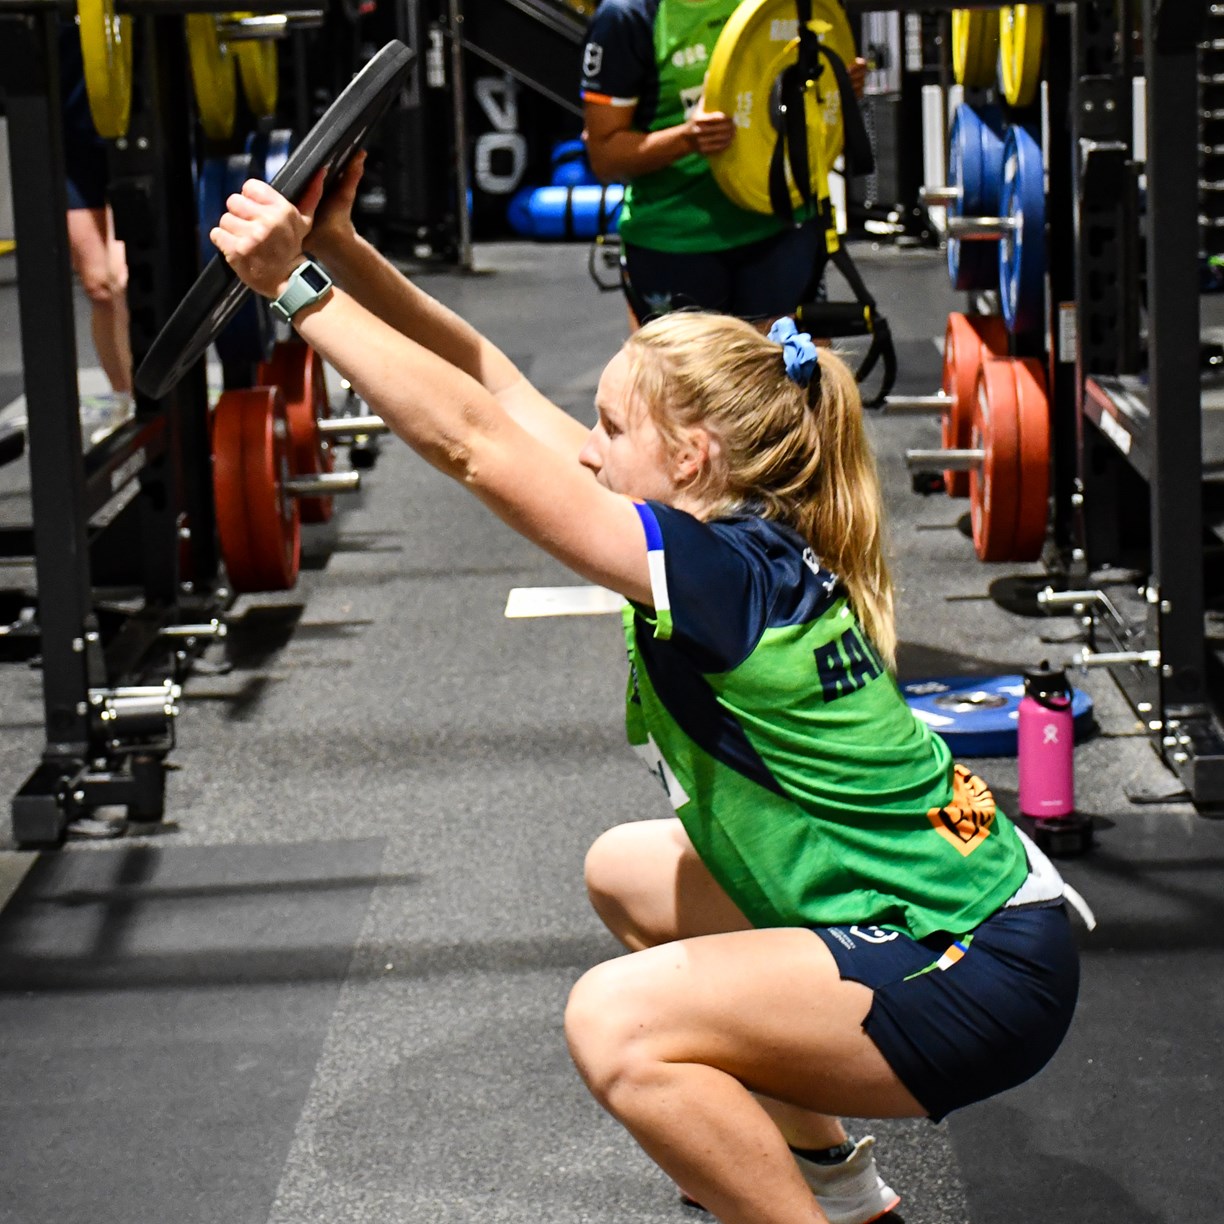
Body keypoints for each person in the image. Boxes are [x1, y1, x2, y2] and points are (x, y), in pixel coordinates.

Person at [208, 155, 1085, 1224]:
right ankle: (843, 1190)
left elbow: (477, 445)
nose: (588, 450)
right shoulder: (736, 533)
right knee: (630, 872)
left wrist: (296, 294)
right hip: (983, 909)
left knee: (616, 1026)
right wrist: (345, 256)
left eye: (613, 433)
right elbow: (489, 381)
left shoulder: (719, 576)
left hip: (978, 966)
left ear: (696, 458)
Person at [580, 0, 867, 326]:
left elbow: (804, 91)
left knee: (794, 371)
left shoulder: (776, 4)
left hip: (780, 224)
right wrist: (688, 138)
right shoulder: (627, 16)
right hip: (677, 242)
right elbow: (604, 156)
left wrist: (838, 85)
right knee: (683, 378)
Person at [59, 20, 132, 401]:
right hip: (72, 137)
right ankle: (125, 400)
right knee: (100, 286)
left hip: (138, 124)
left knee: (124, 276)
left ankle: (158, 402)